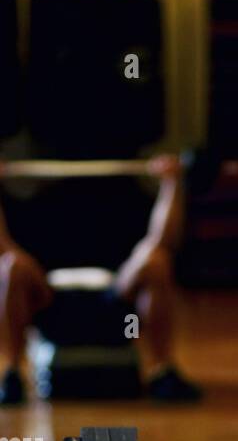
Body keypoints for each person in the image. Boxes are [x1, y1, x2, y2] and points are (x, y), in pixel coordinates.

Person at [0, 154, 200, 404]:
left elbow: (165, 242)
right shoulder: (37, 201)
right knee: (11, 266)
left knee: (156, 262)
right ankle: (12, 374)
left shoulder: (127, 197)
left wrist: (172, 184)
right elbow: (3, 248)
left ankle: (162, 371)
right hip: (51, 310)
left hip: (123, 316)